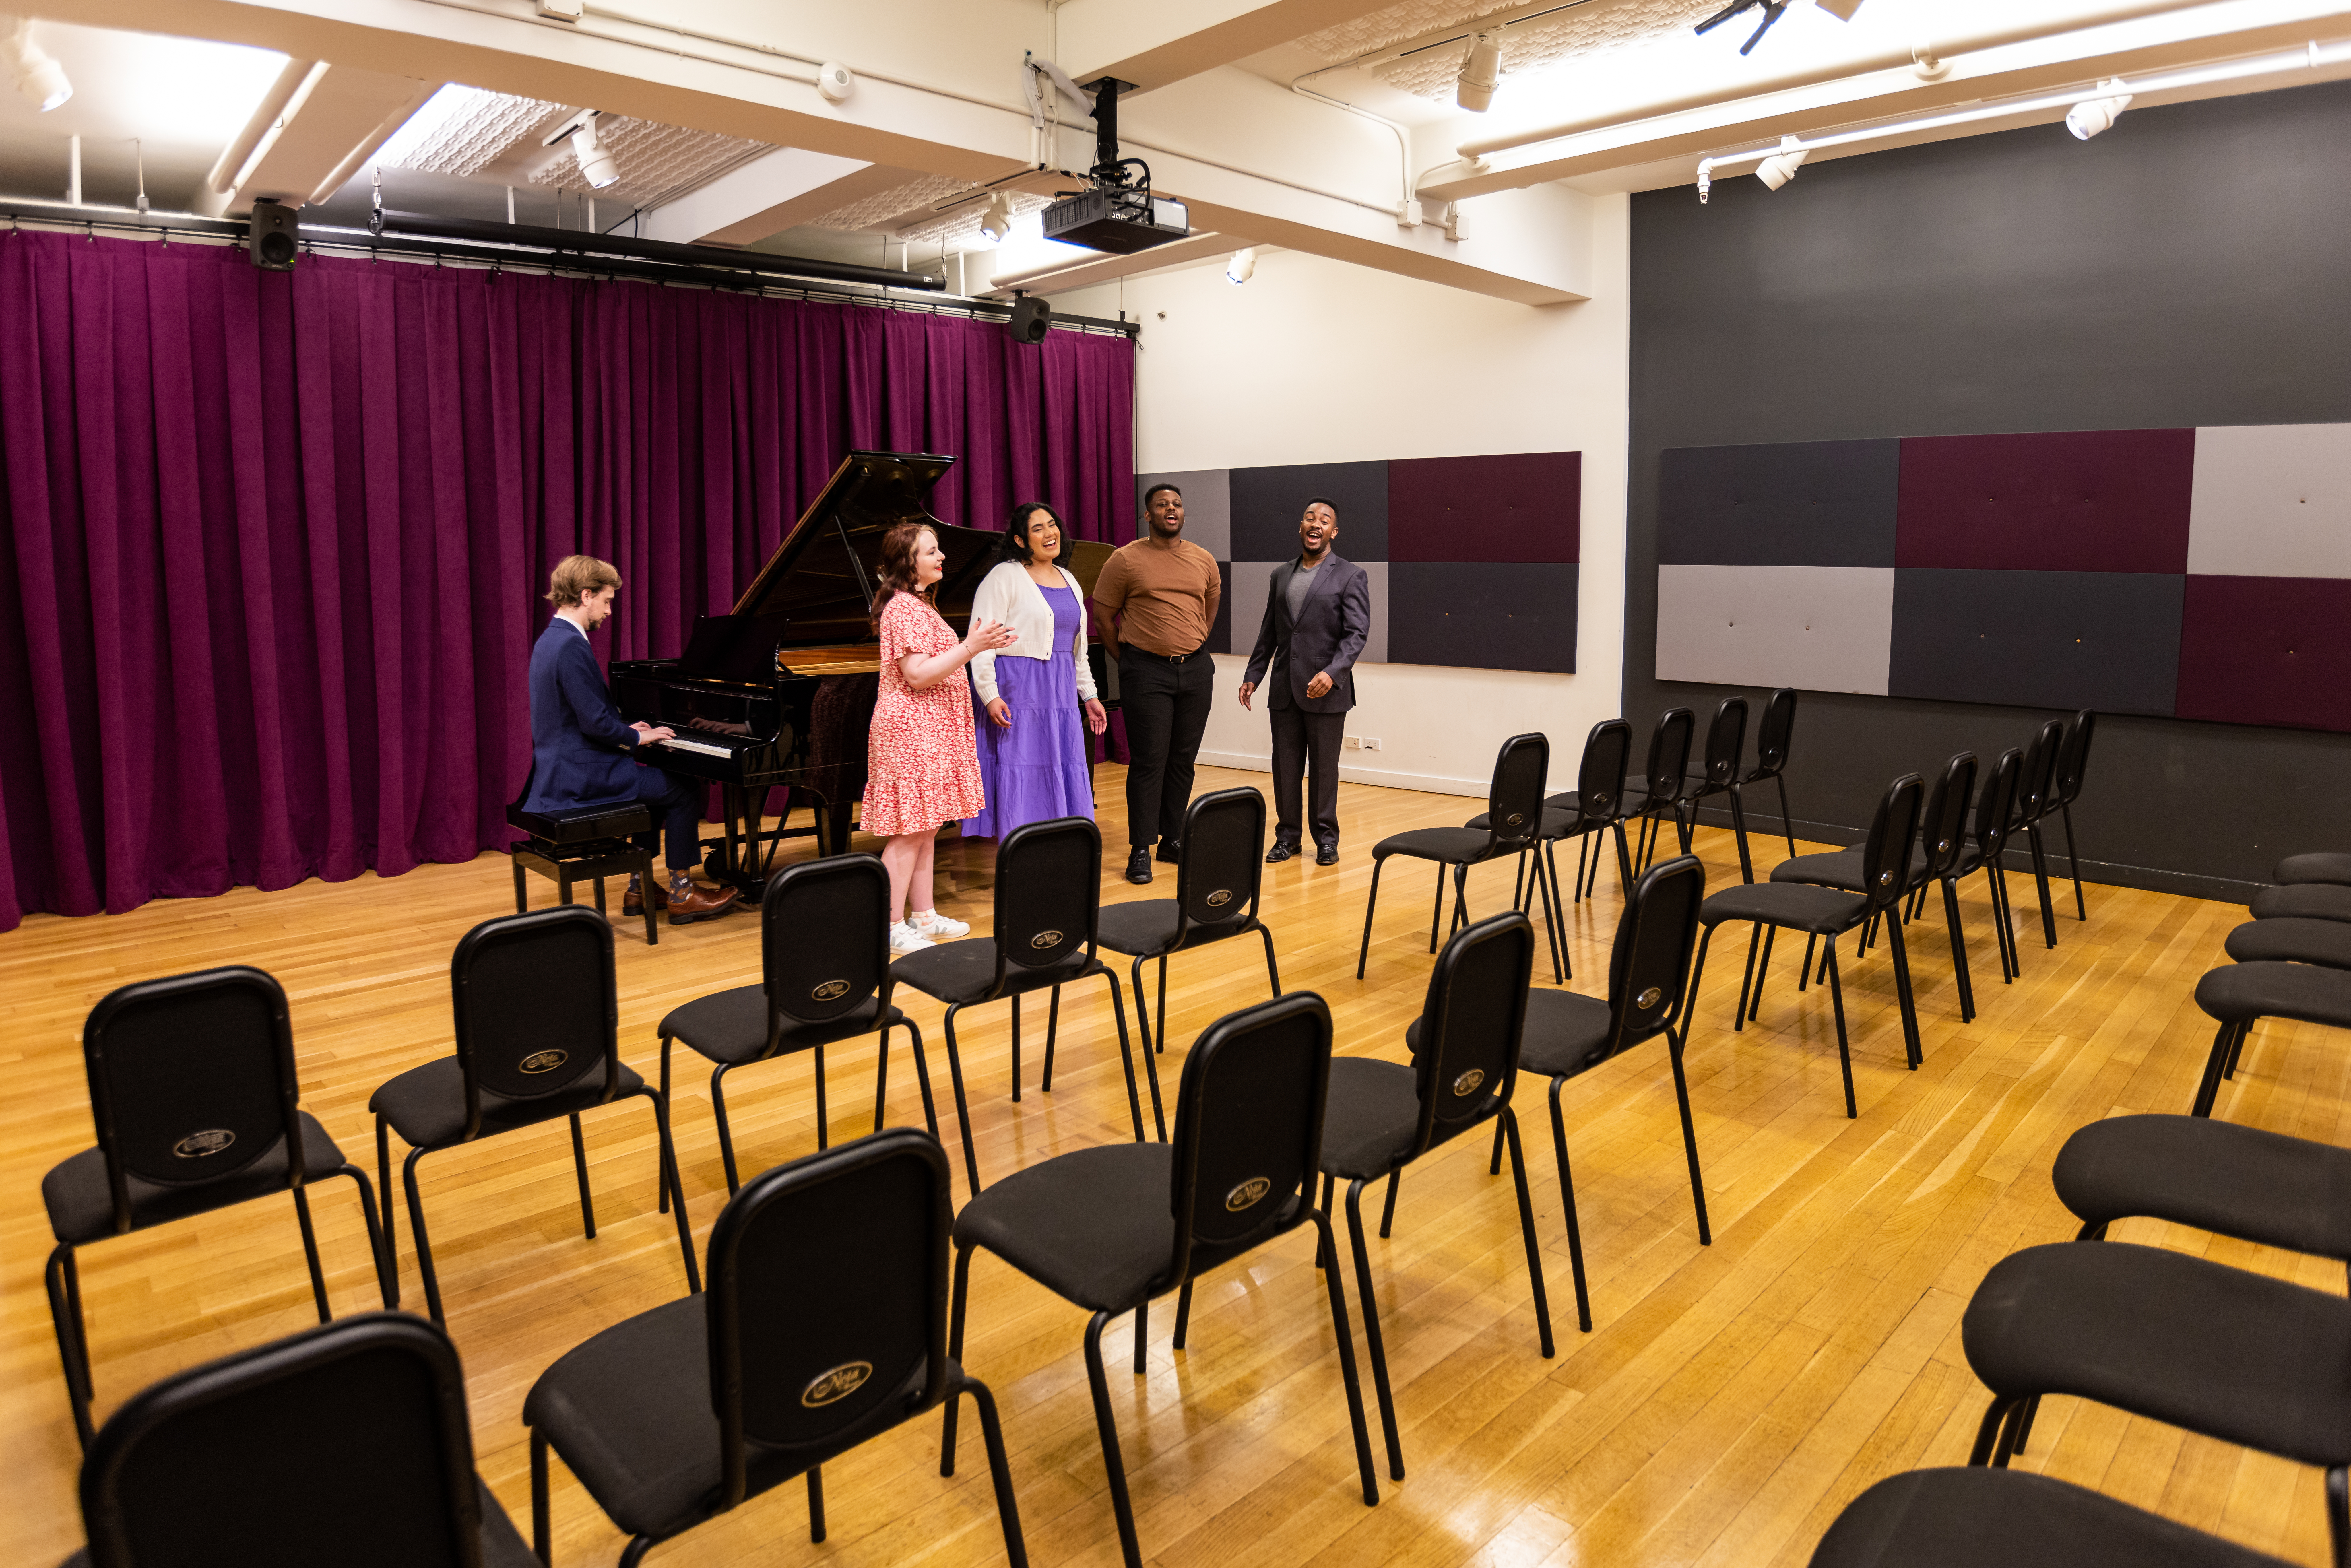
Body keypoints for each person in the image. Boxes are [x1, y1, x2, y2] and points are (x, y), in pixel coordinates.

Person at [525, 554, 740, 925]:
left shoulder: (550, 639)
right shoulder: (571, 646)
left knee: (653, 788)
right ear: (586, 595)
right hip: (581, 776)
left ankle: (639, 888)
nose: (609, 612)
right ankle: (683, 893)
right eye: (607, 601)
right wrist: (636, 738)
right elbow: (594, 723)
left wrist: (629, 729)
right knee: (684, 789)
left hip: (563, 768)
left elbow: (579, 714)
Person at [864, 521, 1018, 954]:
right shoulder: (903, 608)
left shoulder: (919, 605)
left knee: (927, 828)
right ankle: (888, 925)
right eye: (931, 551)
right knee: (909, 830)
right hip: (911, 731)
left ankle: (924, 916)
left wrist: (977, 644)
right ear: (908, 562)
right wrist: (972, 646)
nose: (942, 557)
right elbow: (916, 676)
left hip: (931, 730)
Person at [1090, 483, 1221, 884]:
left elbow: (1209, 606)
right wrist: (1130, 662)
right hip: (1146, 671)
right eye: (1162, 504)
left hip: (1195, 670)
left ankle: (1173, 839)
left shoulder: (1203, 559)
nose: (1171, 509)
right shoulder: (1125, 560)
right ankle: (1141, 848)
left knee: (1182, 760)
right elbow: (1103, 617)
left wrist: (1192, 643)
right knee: (1149, 762)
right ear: (1148, 515)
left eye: (1177, 504)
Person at [963, 501, 1110, 839]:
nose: (1049, 533)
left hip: (1060, 689)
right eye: (1037, 528)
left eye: (1052, 524)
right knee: (1022, 763)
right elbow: (980, 640)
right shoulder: (1004, 576)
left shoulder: (1070, 579)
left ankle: (1056, 834)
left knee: (1060, 760)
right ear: (1020, 540)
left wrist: (1089, 695)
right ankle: (1019, 839)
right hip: (1019, 687)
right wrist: (989, 695)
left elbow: (1077, 650)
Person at [1239, 498, 1370, 865]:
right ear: (1301, 527)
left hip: (1326, 689)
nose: (1316, 524)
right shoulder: (1280, 575)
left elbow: (1357, 634)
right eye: (1310, 518)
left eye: (1324, 520)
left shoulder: (1351, 575)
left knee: (1324, 770)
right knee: (1285, 768)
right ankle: (1288, 838)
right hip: (1284, 688)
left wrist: (1332, 673)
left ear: (1333, 532)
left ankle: (1326, 840)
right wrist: (1253, 675)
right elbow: (1269, 631)